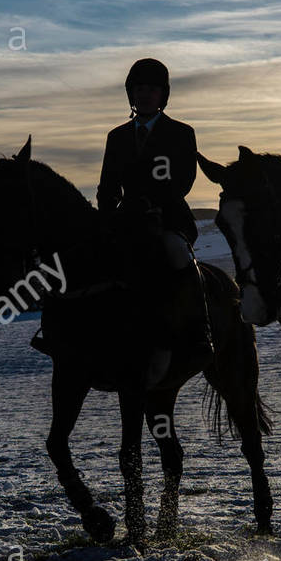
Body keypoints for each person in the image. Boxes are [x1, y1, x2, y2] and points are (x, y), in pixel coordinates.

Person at [97, 58, 212, 386]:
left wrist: (156, 205)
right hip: (127, 220)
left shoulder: (181, 133)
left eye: (151, 89)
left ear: (163, 95)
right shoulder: (116, 137)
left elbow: (184, 181)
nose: (145, 95)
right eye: (139, 89)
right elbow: (107, 187)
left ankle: (200, 331)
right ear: (131, 94)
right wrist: (106, 216)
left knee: (177, 253)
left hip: (170, 217)